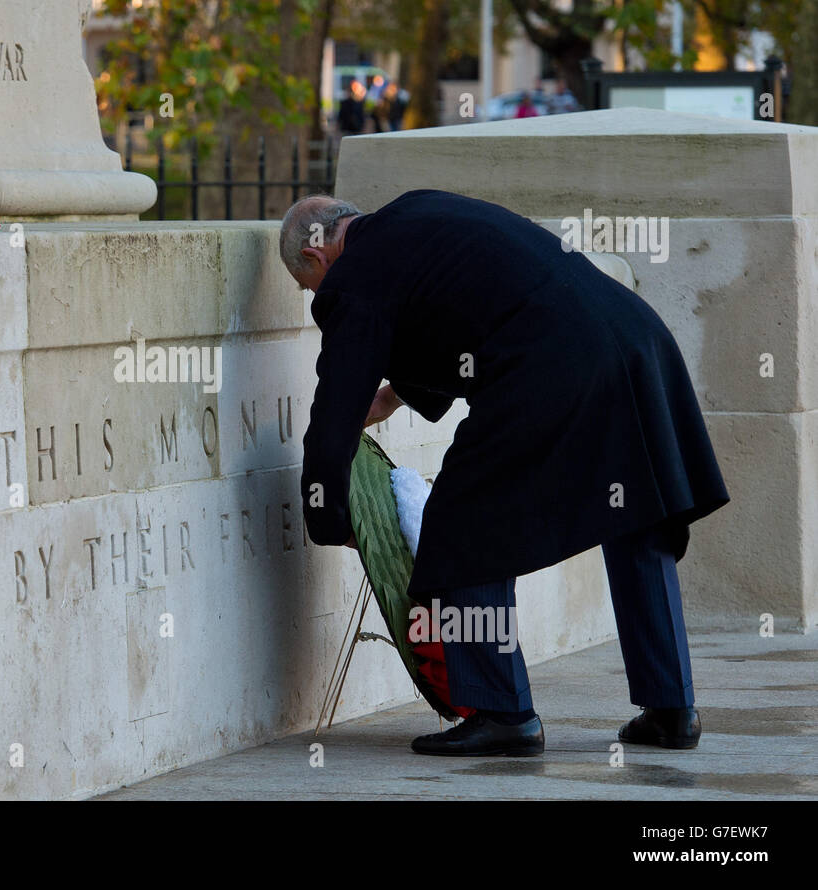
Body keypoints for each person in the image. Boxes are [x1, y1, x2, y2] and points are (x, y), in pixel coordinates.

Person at [279, 191, 729, 757]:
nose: (317, 297)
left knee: (461, 522)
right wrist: (395, 397)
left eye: (308, 287)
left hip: (554, 365)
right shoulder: (417, 212)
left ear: (317, 257)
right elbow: (479, 301)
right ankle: (671, 710)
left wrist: (328, 514)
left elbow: (336, 407)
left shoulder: (354, 274)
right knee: (636, 516)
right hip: (634, 340)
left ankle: (501, 712)